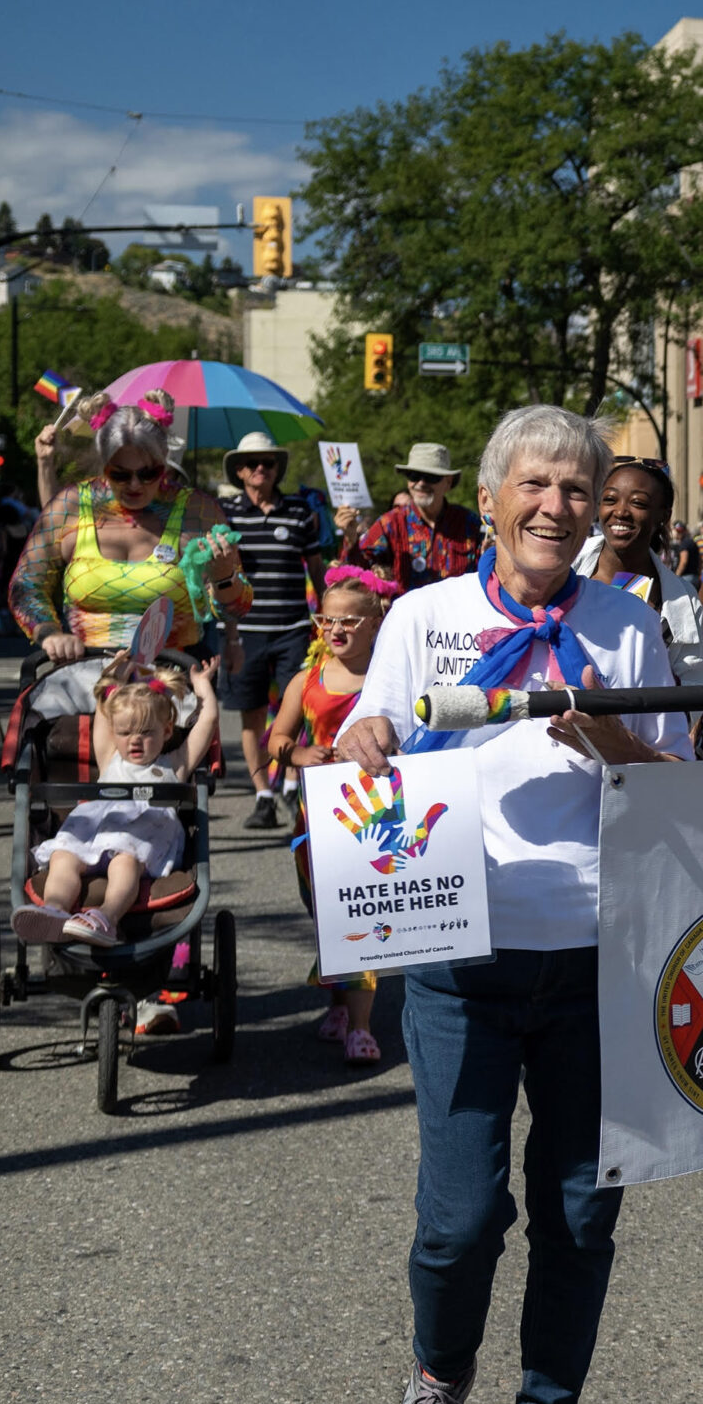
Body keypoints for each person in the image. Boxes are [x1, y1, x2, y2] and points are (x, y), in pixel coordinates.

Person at [342, 403, 692, 1404]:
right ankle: (436, 1380)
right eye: (534, 485)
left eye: (578, 489)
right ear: (487, 500)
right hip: (456, 951)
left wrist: (615, 741)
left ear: (601, 510)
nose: (555, 506)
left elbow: (677, 781)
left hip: (599, 955)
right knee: (459, 1215)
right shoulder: (419, 614)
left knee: (580, 1213)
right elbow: (367, 737)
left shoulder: (630, 624)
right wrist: (361, 739)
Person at [14, 657, 221, 1031]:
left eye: (146, 732)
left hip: (141, 838)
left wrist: (203, 686)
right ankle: (56, 913)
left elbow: (204, 726)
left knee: (124, 861)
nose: (135, 741)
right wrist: (112, 678)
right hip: (95, 827)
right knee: (63, 856)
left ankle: (105, 918)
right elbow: (102, 714)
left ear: (166, 728)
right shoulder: (109, 756)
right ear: (114, 731)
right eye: (125, 732)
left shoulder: (173, 763)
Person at [11, 392, 249, 680]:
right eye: (121, 475)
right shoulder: (71, 505)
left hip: (172, 683)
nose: (135, 484)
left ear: (165, 463)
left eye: (149, 473)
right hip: (85, 678)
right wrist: (50, 634)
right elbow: (26, 585)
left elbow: (236, 608)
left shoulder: (197, 511)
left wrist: (224, 578)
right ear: (104, 465)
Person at [267, 565, 398, 1066]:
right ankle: (341, 1002)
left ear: (376, 621)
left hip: (376, 817)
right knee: (324, 912)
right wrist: (297, 755)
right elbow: (278, 738)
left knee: (361, 909)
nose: (336, 631)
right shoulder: (308, 679)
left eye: (349, 621)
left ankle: (361, 1028)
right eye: (327, 621)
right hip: (315, 818)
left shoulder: (391, 681)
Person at [219, 432, 328, 831]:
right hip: (244, 630)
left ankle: (291, 781)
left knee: (298, 711)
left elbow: (317, 571)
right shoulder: (225, 514)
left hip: (294, 629)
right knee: (249, 718)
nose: (260, 469)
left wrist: (325, 620)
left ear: (277, 468)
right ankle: (262, 794)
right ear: (240, 472)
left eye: (267, 462)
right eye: (252, 464)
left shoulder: (299, 512)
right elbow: (218, 577)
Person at [574, 455, 703, 687]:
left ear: (664, 516)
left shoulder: (683, 600)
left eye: (637, 503)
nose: (621, 511)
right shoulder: (563, 567)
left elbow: (696, 687)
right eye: (610, 499)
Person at [337, 442, 480, 591]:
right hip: (404, 613)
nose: (421, 483)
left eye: (431, 477)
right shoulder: (390, 523)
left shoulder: (468, 523)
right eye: (414, 476)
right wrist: (350, 538)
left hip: (454, 612)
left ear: (448, 482)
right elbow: (357, 575)